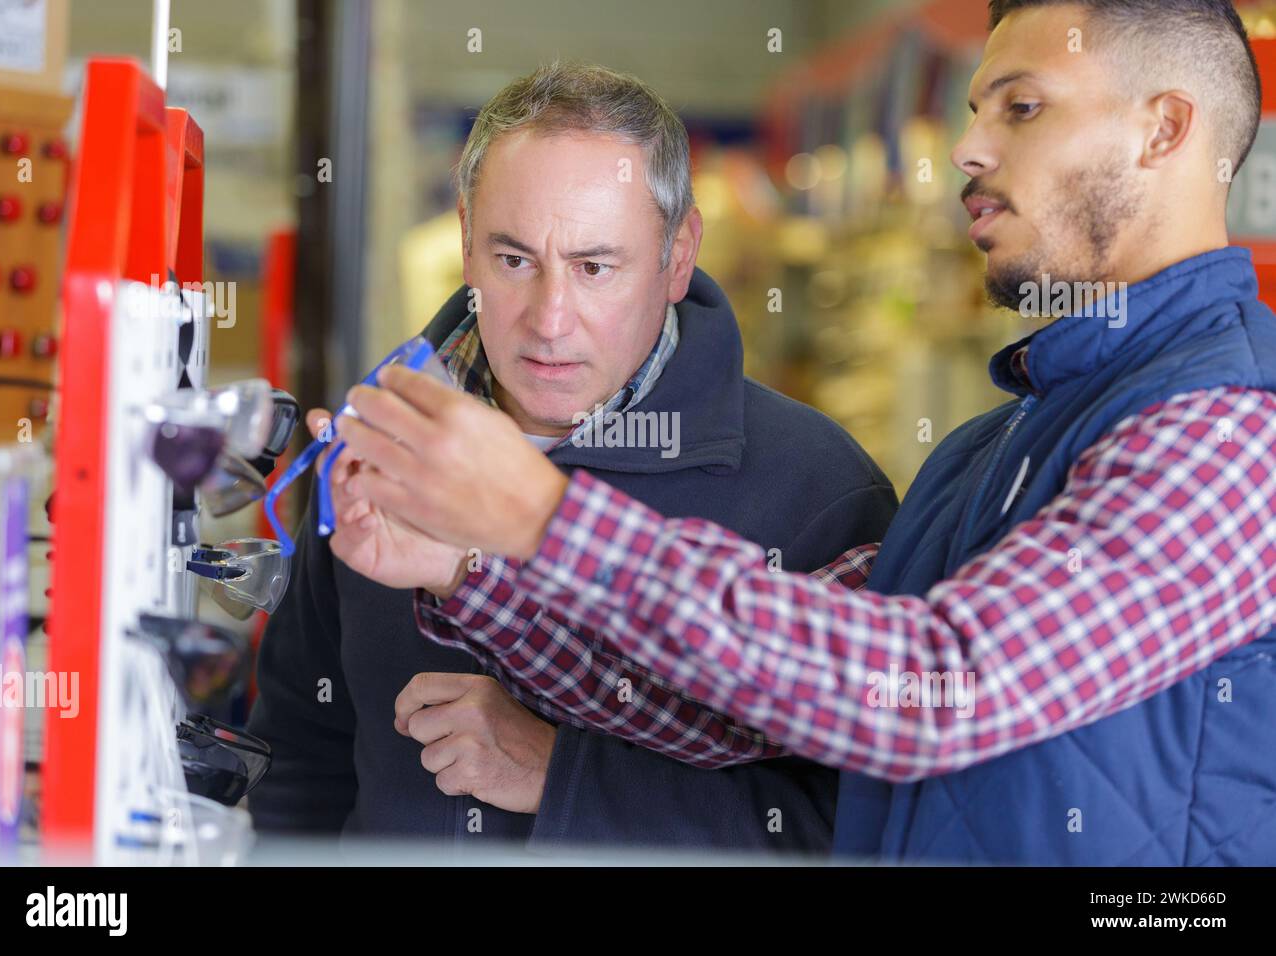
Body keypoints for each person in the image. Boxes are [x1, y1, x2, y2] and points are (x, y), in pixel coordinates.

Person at [333, 0, 1276, 865]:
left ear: (1164, 129)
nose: (968, 148)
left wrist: (544, 519)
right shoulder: (987, 452)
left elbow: (933, 690)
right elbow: (756, 713)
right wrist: (477, 576)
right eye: (979, 109)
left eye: (1021, 108)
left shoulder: (1229, 432)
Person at [247, 61, 897, 852]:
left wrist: (566, 778)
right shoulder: (385, 442)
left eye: (595, 267)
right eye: (514, 260)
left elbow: (833, 834)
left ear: (678, 253)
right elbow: (301, 762)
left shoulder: (819, 488)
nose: (550, 320)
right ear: (464, 241)